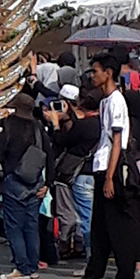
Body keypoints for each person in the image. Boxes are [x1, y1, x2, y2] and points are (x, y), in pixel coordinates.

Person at [66, 54, 139, 279]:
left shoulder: (117, 101)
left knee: (119, 227)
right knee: (99, 227)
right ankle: (92, 278)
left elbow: (118, 140)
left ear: (108, 73)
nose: (93, 76)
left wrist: (109, 177)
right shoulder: (104, 102)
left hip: (113, 169)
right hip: (101, 166)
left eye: (96, 71)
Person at [0, 93, 55, 279]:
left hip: (13, 180)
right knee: (31, 226)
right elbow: (49, 156)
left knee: (14, 227)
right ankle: (32, 266)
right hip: (35, 181)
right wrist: (48, 183)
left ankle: (22, 267)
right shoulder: (38, 128)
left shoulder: (8, 127)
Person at [46, 86, 101, 259]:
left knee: (85, 217)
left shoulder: (85, 126)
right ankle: (82, 247)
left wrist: (56, 124)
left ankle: (90, 257)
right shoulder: (103, 122)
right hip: (94, 172)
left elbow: (63, 141)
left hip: (79, 173)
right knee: (87, 214)